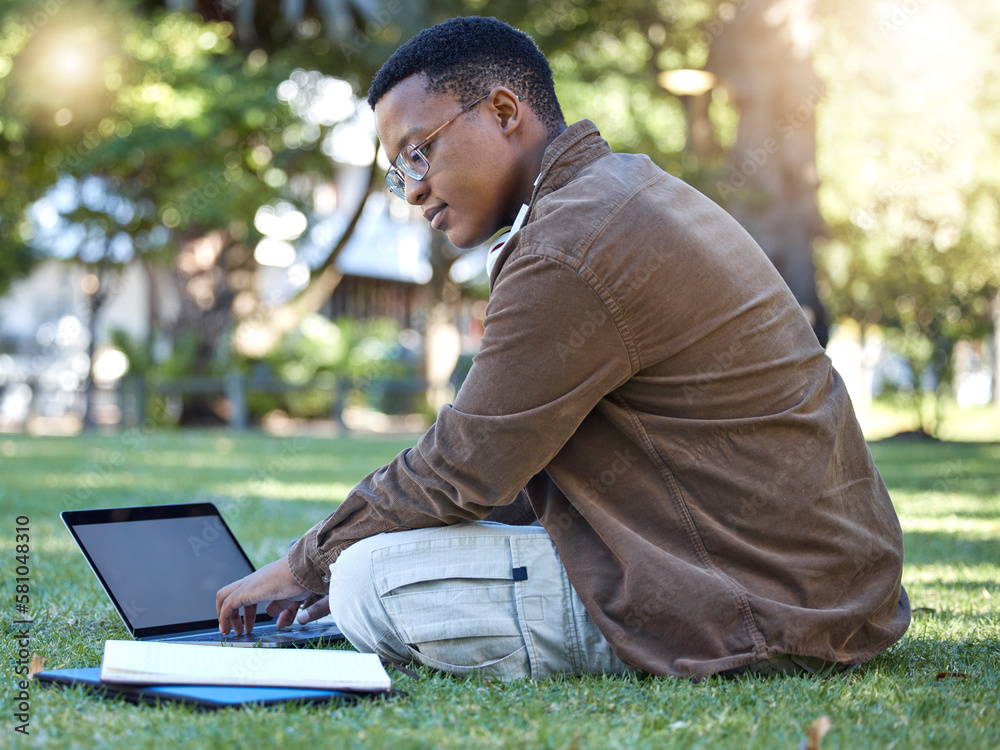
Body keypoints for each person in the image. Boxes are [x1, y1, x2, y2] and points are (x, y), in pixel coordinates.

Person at [217, 16, 910, 681]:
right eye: (399, 173)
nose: (413, 189)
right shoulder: (625, 191)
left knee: (367, 581)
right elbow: (513, 465)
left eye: (418, 152)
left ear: (502, 111)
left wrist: (313, 562)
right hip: (825, 592)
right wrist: (355, 541)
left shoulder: (567, 244)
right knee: (376, 555)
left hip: (760, 607)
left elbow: (468, 463)